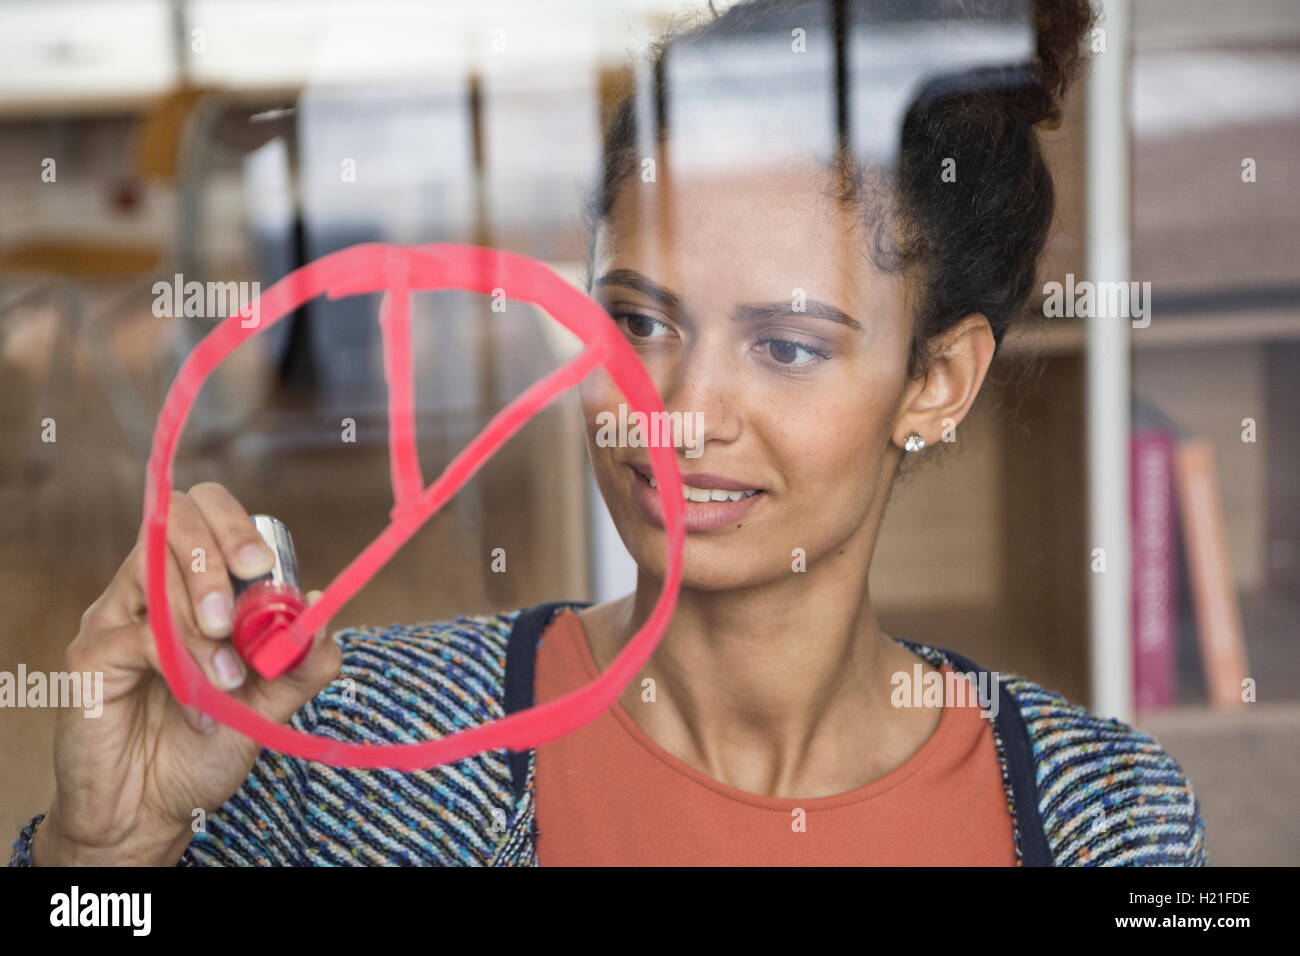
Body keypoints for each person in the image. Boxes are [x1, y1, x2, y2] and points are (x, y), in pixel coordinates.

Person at [11, 0, 1207, 866]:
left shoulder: (1110, 819)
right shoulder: (352, 743)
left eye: (787, 344)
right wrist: (104, 848)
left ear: (935, 380)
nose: (676, 408)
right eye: (635, 318)